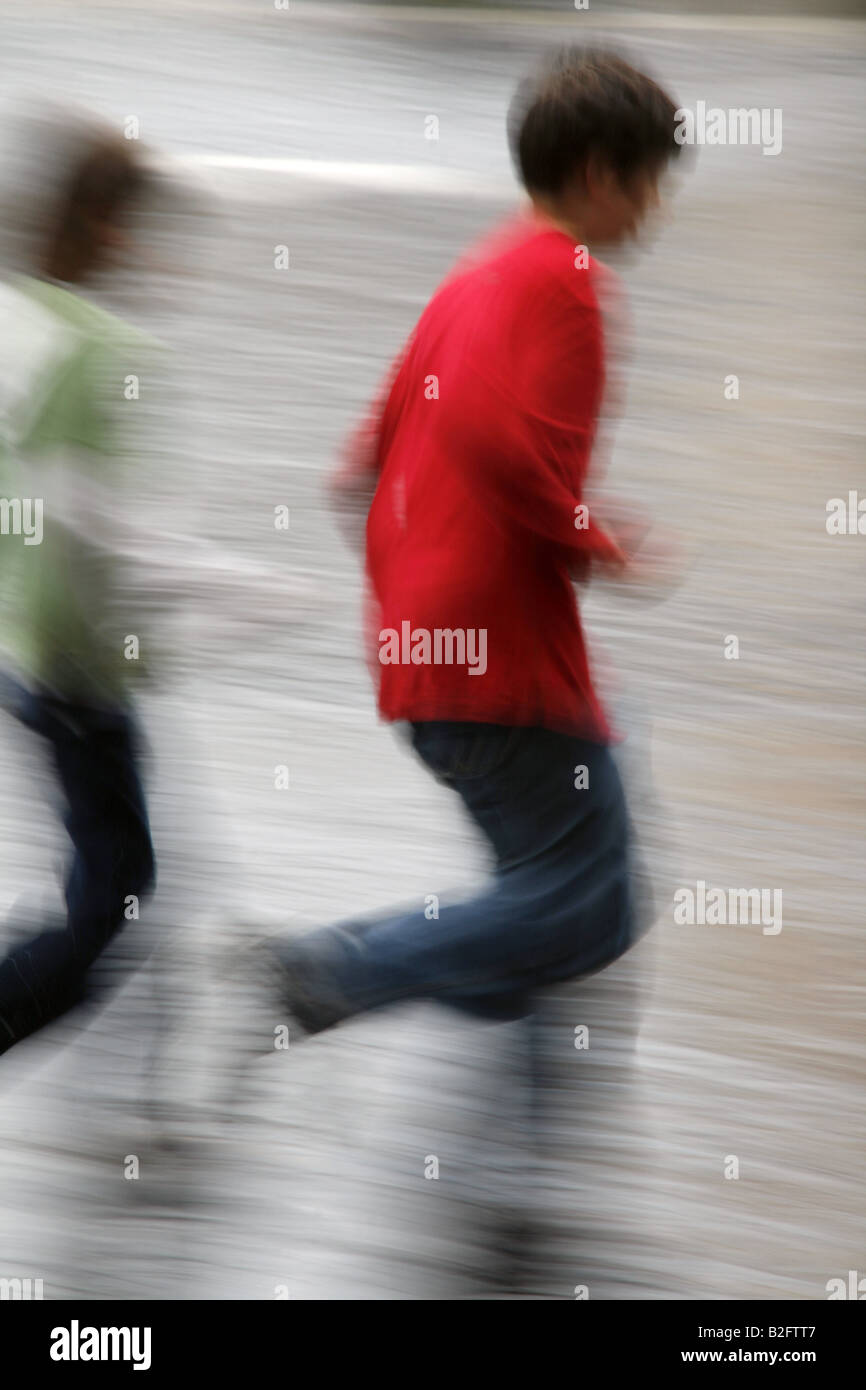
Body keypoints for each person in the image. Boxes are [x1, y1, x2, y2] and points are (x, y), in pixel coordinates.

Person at [226, 47, 683, 1055]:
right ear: (602, 174)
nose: (655, 208)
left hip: (425, 660)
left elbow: (356, 469)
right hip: (504, 665)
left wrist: (420, 596)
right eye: (651, 181)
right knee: (585, 914)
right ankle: (329, 968)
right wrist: (597, 541)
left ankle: (500, 1182)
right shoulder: (566, 281)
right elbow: (484, 431)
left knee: (543, 905)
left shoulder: (474, 272)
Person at [0, 115, 157, 1055]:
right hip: (71, 662)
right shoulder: (91, 343)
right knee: (113, 896)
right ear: (103, 225)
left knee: (116, 887)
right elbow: (81, 530)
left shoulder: (19, 314)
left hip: (30, 652)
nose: (138, 250)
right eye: (131, 226)